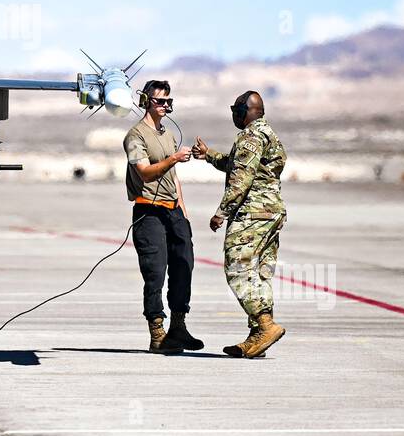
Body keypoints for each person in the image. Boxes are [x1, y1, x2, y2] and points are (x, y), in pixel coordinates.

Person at [194, 90, 287, 358]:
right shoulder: (267, 133)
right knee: (259, 274)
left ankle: (266, 326)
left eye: (236, 109)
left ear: (246, 111)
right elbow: (240, 166)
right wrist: (209, 155)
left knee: (237, 268)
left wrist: (222, 212)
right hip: (270, 213)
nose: (234, 115)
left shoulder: (251, 137)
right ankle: (257, 335)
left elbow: (241, 179)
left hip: (252, 214)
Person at [123, 79, 204, 353]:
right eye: (160, 101)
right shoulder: (135, 136)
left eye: (169, 101)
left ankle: (178, 328)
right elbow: (145, 172)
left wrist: (183, 211)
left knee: (184, 264)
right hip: (148, 211)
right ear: (146, 101)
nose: (166, 106)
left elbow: (173, 177)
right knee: (155, 271)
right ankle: (157, 331)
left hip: (173, 211)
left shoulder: (167, 135)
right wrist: (173, 159)